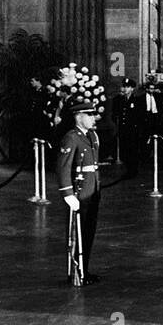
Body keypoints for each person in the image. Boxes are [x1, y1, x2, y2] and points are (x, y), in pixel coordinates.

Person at [58, 99, 102, 285]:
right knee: (77, 233)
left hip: (92, 190)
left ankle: (84, 269)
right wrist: (68, 194)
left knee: (88, 231)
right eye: (89, 115)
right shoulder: (71, 137)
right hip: (80, 192)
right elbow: (63, 167)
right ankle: (76, 272)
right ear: (79, 117)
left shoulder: (91, 136)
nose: (94, 118)